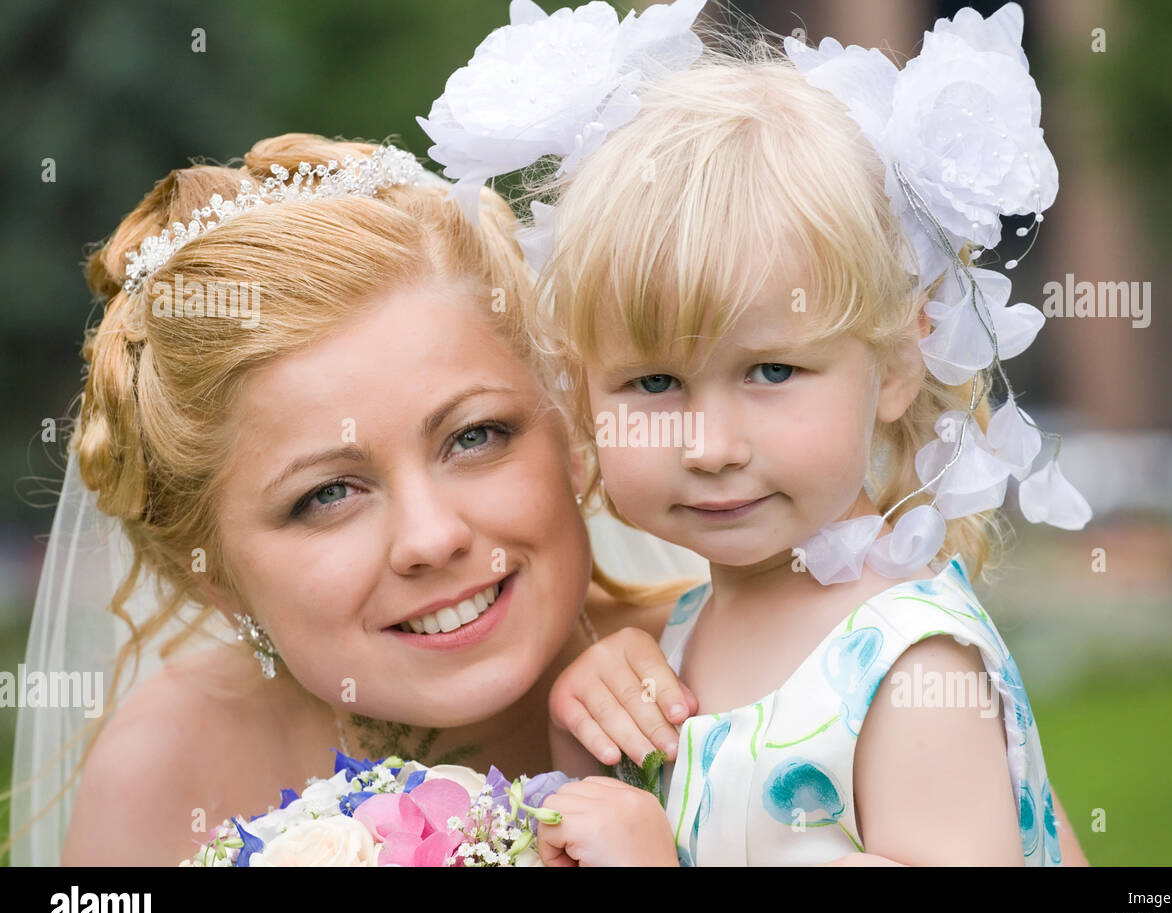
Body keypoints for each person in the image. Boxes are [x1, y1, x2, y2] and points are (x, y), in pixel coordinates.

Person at [420, 1, 1093, 865]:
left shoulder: (911, 666)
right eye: (654, 381)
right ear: (583, 394)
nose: (710, 444)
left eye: (771, 372)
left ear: (893, 366)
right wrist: (591, 756)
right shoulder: (692, 631)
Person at [5, 133, 690, 866]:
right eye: (328, 494)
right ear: (218, 581)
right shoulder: (167, 768)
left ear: (572, 437)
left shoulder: (742, 676)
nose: (431, 538)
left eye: (474, 437)